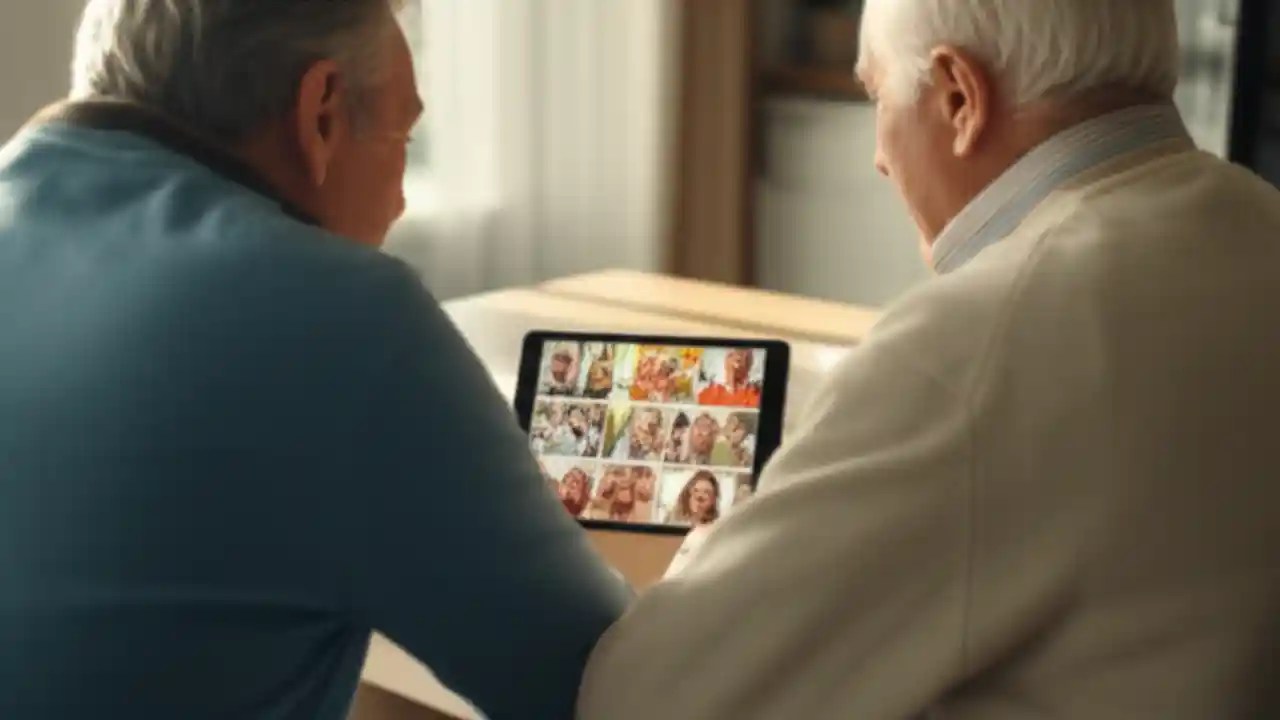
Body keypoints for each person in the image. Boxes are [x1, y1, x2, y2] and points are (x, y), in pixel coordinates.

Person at [578, 1, 1280, 718]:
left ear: (958, 99)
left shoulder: (973, 345)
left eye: (877, 95)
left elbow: (642, 695)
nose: (879, 157)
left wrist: (712, 551)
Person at [0, 2, 630, 719]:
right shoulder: (341, 314)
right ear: (322, 112)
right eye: (403, 134)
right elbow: (614, 689)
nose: (400, 200)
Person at [697, 348, 761, 407]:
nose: (738, 363)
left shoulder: (756, 395)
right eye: (731, 355)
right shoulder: (707, 394)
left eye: (746, 358)